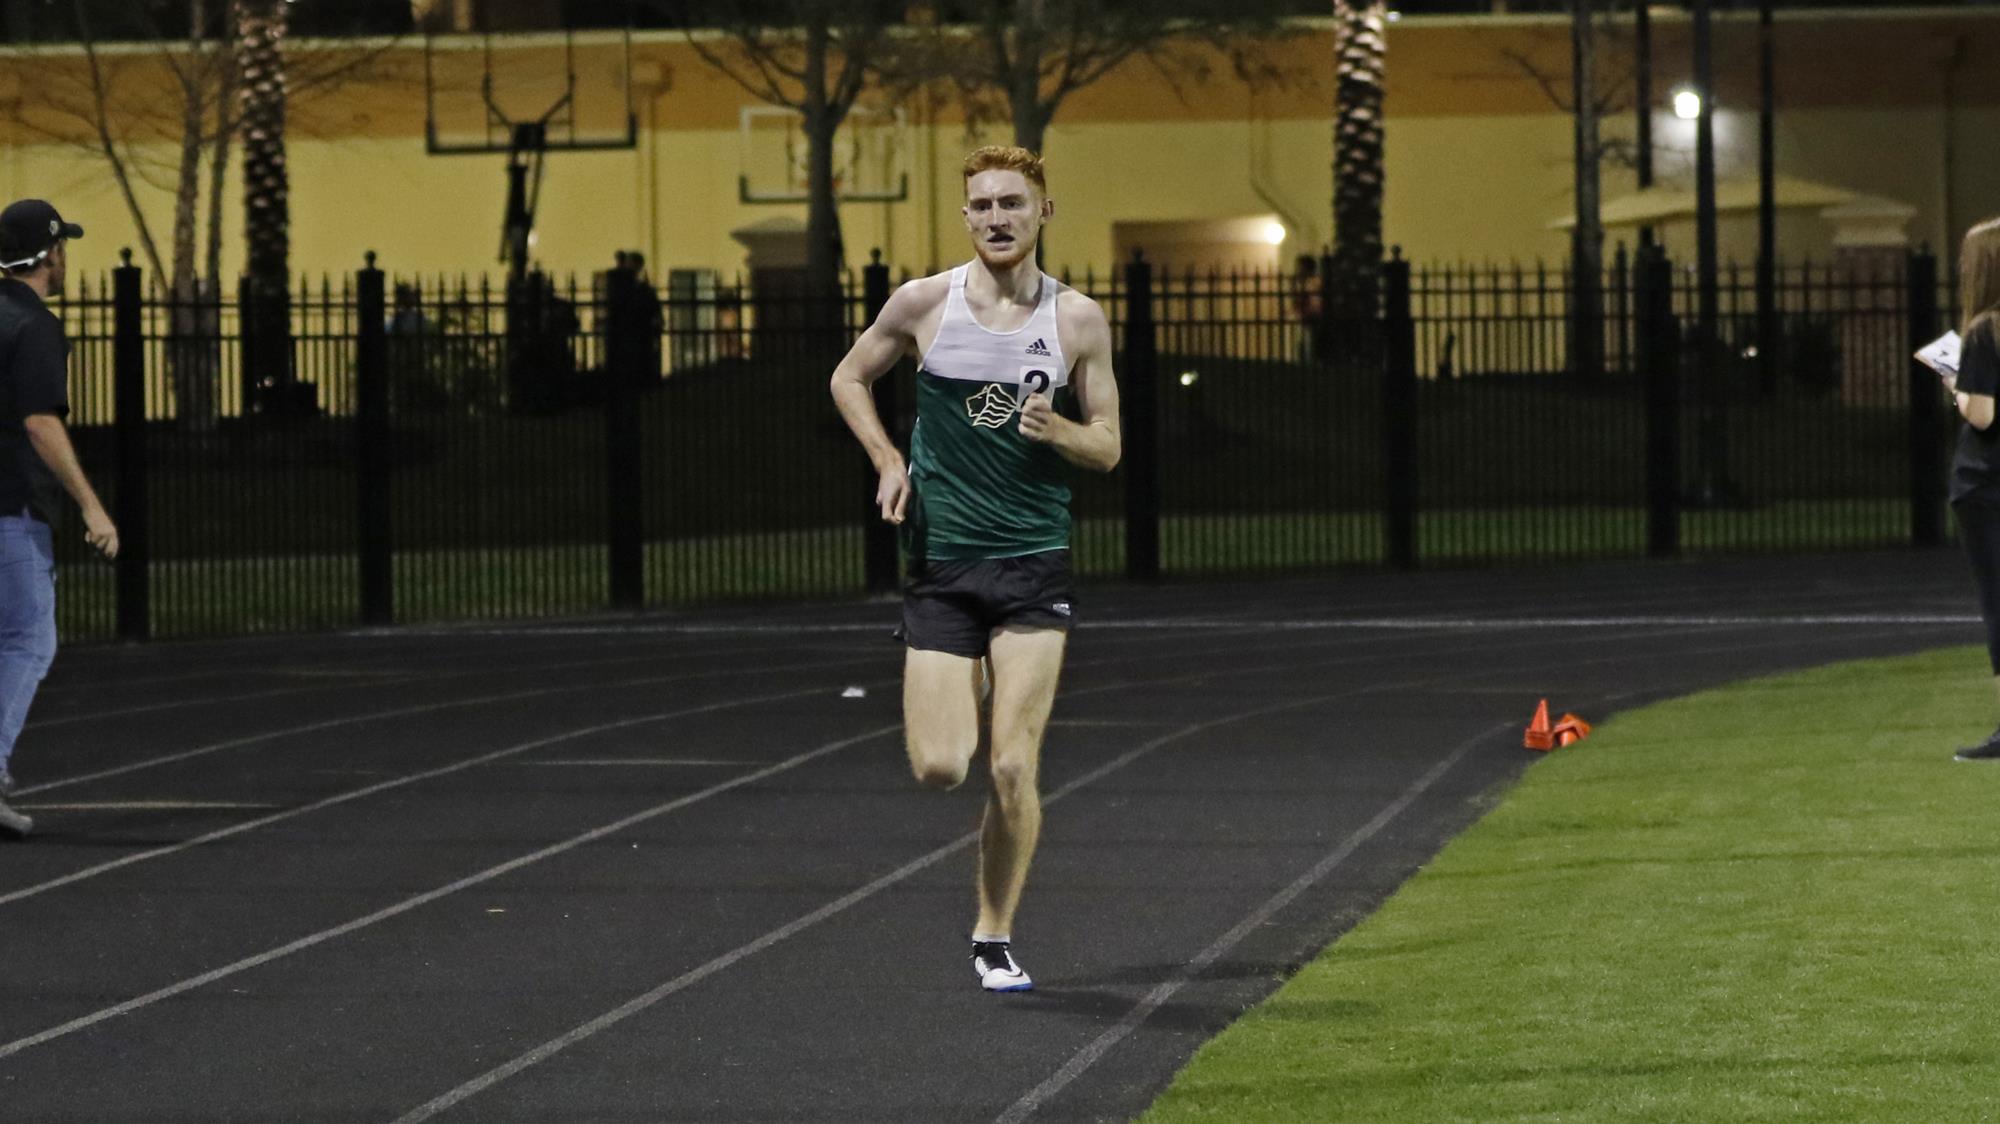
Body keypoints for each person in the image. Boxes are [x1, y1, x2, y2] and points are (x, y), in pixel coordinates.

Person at [829, 146, 1122, 991]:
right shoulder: (924, 304)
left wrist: (1060, 431)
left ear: (1043, 213)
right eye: (983, 205)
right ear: (966, 217)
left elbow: (1107, 443)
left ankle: (993, 933)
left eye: (1014, 204)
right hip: (945, 565)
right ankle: (972, 679)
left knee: (1010, 766)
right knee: (941, 767)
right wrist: (888, 460)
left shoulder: (1077, 321)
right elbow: (849, 377)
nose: (998, 217)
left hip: (1033, 565)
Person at [0, 198, 119, 838]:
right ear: (50, 255)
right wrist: (92, 506)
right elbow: (40, 421)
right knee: (28, 641)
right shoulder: (35, 328)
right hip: (11, 511)